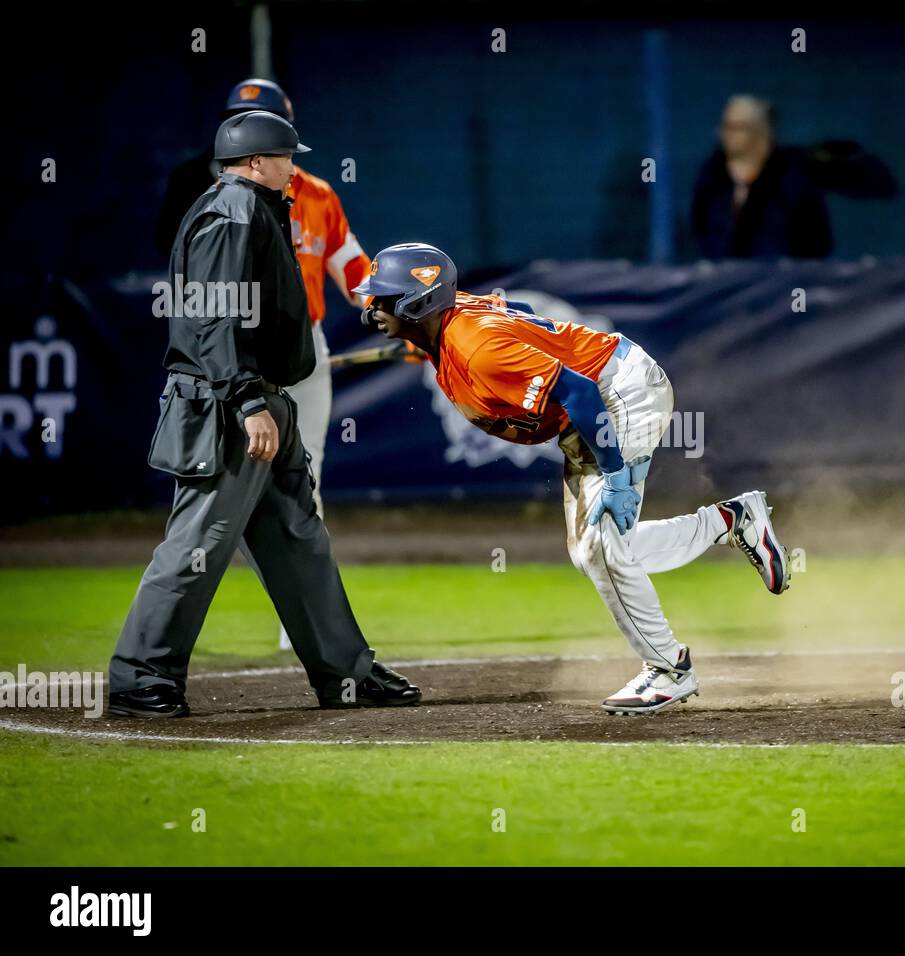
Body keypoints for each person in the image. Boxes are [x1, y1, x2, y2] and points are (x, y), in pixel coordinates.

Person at [352, 243, 791, 715]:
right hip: (606, 390)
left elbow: (578, 392)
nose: (372, 306)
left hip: (615, 395)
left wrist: (617, 473)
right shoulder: (457, 329)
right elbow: (517, 313)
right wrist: (434, 348)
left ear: (420, 303)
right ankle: (730, 522)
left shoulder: (477, 348)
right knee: (593, 553)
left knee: (603, 550)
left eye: (385, 297)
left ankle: (669, 671)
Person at [108, 111, 419, 718]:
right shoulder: (232, 211)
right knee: (199, 542)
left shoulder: (252, 206)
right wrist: (249, 398)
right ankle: (140, 676)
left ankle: (345, 673)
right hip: (227, 406)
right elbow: (214, 318)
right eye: (285, 157)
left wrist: (263, 396)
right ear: (255, 163)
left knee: (300, 539)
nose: (293, 167)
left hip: (261, 397)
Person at [690, 95, 832, 258]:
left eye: (738, 127)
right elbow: (701, 228)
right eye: (725, 126)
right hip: (724, 277)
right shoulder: (712, 177)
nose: (727, 135)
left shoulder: (794, 180)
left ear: (762, 132)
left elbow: (816, 241)